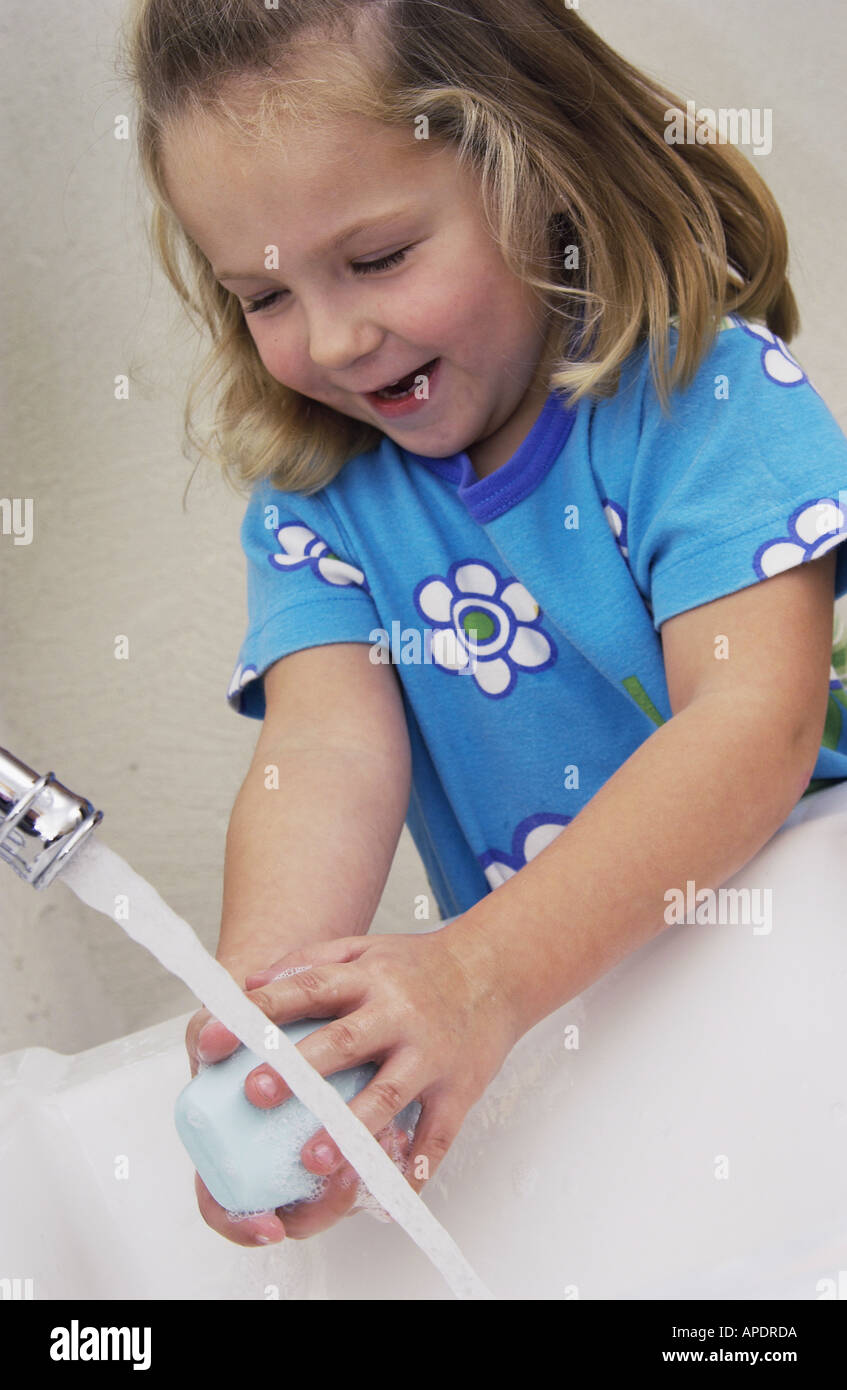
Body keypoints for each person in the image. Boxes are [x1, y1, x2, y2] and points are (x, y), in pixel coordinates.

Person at [121, 0, 847, 1248]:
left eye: (381, 255)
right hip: (572, 1021)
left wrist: (477, 973)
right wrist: (277, 1032)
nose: (336, 339)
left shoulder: (702, 398)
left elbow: (753, 721)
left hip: (791, 981)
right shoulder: (320, 510)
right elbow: (326, 760)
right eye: (262, 294)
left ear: (539, 173)